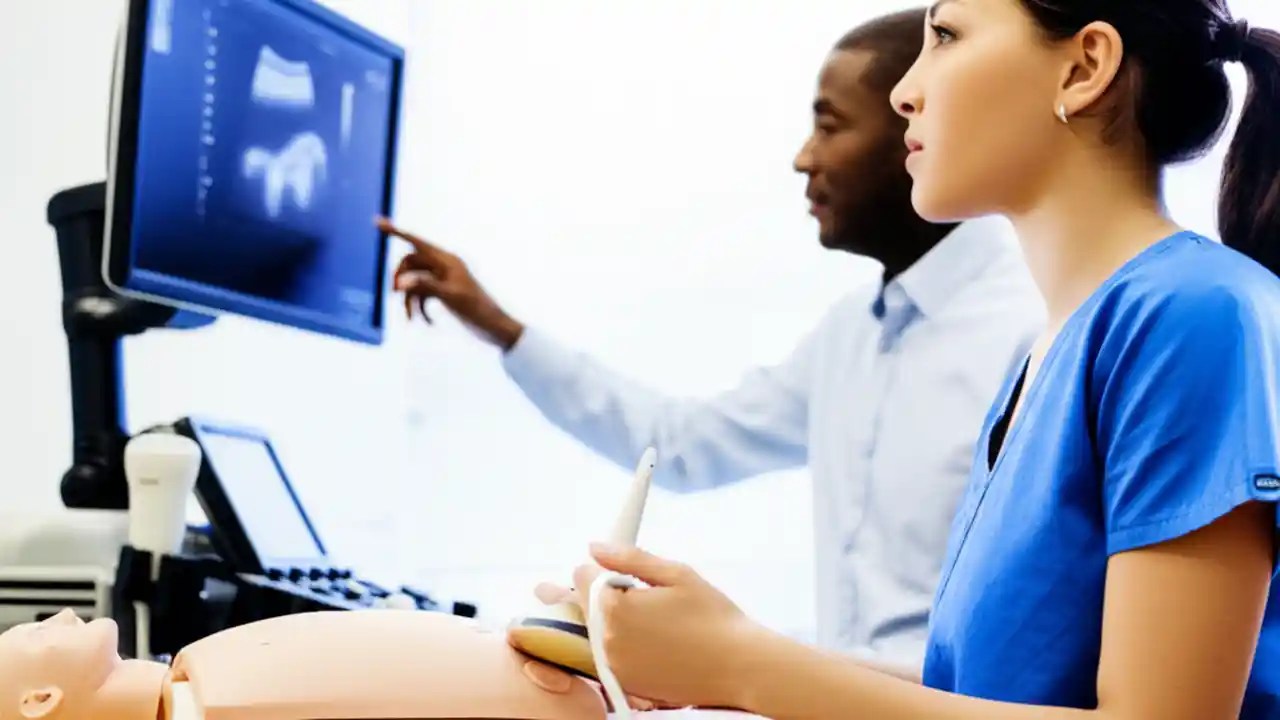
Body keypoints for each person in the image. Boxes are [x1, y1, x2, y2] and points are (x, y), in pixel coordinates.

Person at [538, 1, 1280, 718]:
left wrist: (743, 665)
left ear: (1084, 67)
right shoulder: (1047, 354)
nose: (904, 92)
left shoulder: (1192, 315)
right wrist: (705, 659)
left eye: (947, 34)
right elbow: (982, 690)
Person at [382, 7, 1044, 673]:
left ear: (918, 125)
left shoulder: (1035, 329)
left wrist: (735, 663)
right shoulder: (851, 335)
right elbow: (680, 446)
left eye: (829, 125)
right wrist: (499, 328)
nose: (803, 158)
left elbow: (1022, 652)